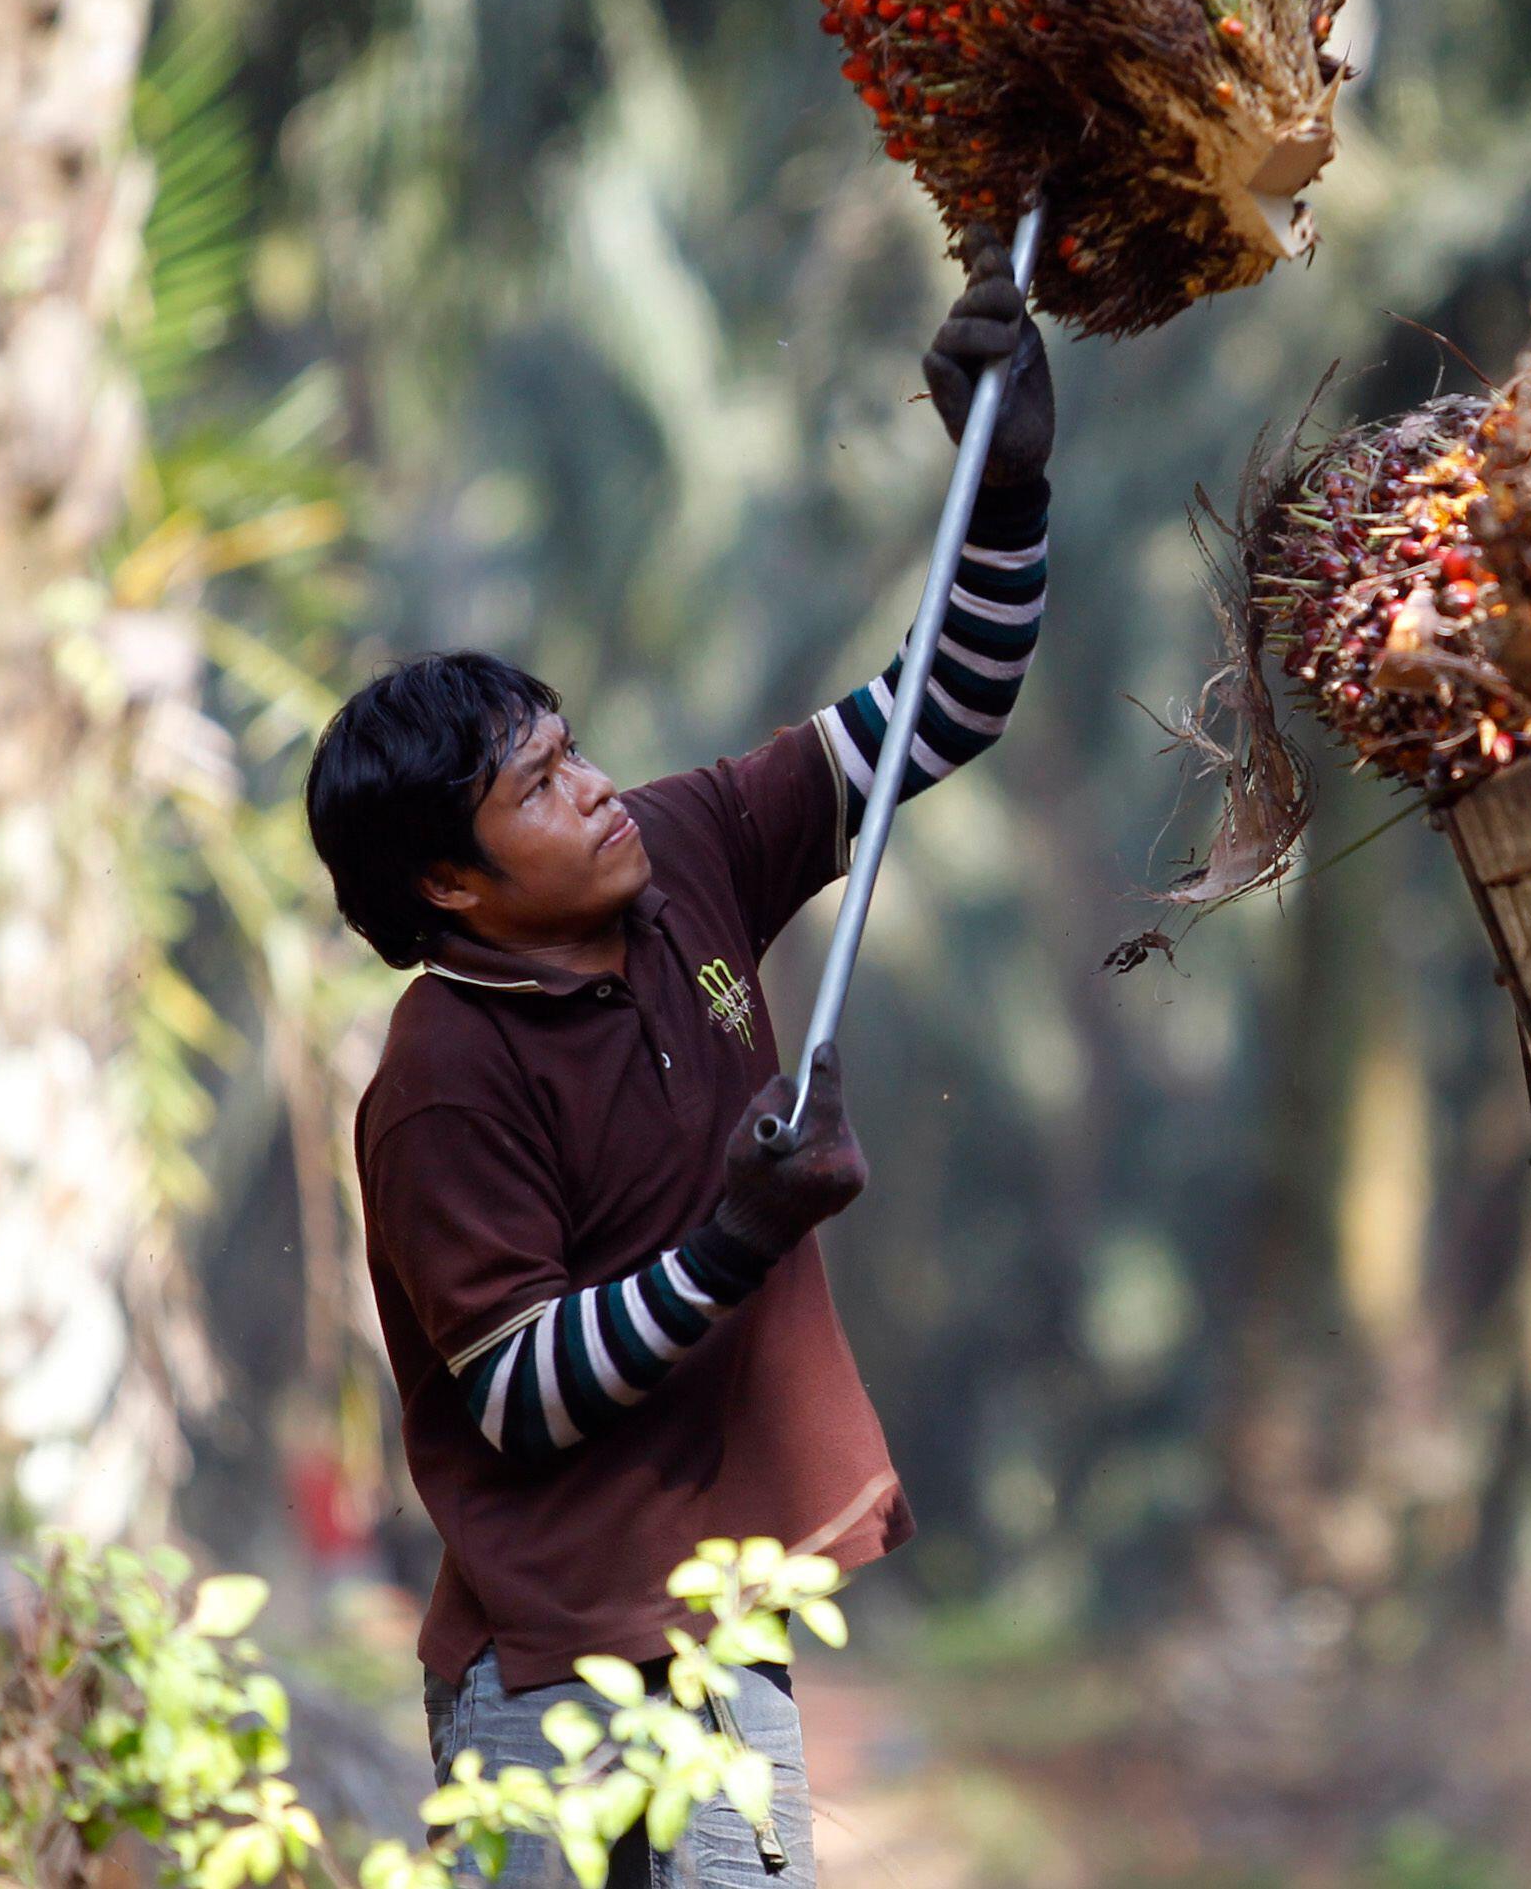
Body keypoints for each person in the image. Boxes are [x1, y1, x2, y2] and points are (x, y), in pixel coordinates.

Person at [303, 256, 1055, 1886]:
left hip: (720, 1625)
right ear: (450, 881)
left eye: (575, 747)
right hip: (545, 1664)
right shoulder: (443, 1076)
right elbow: (515, 1387)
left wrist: (1003, 491)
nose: (596, 790)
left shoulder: (691, 843)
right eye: (541, 784)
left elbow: (945, 704)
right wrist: (733, 1239)